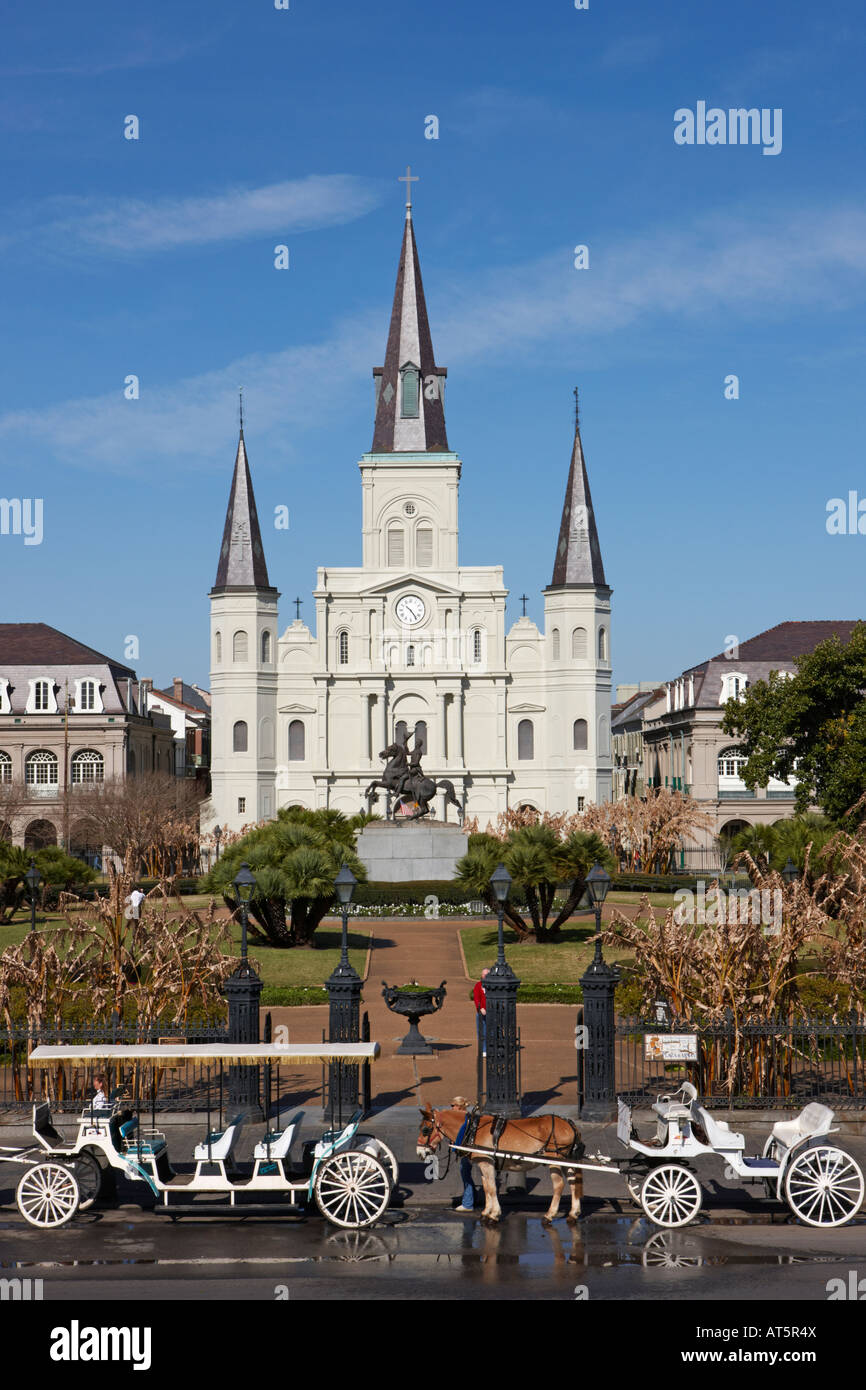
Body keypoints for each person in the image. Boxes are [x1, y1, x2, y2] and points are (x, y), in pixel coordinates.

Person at [451, 1097, 477, 1213]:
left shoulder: (463, 1118)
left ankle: (468, 1203)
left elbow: (462, 1134)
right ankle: (472, 1197)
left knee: (465, 1174)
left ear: (459, 1106)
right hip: (467, 1150)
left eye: (453, 1105)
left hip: (466, 1151)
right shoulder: (466, 1116)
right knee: (466, 1173)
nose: (451, 1107)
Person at [473, 968, 489, 1057]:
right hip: (481, 1013)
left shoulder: (492, 986)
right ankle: (483, 1049)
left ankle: (491, 1048)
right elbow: (476, 999)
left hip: (491, 1013)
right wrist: (480, 1009)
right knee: (481, 1031)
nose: (485, 976)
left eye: (486, 974)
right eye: (483, 974)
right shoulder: (478, 985)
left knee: (491, 1032)